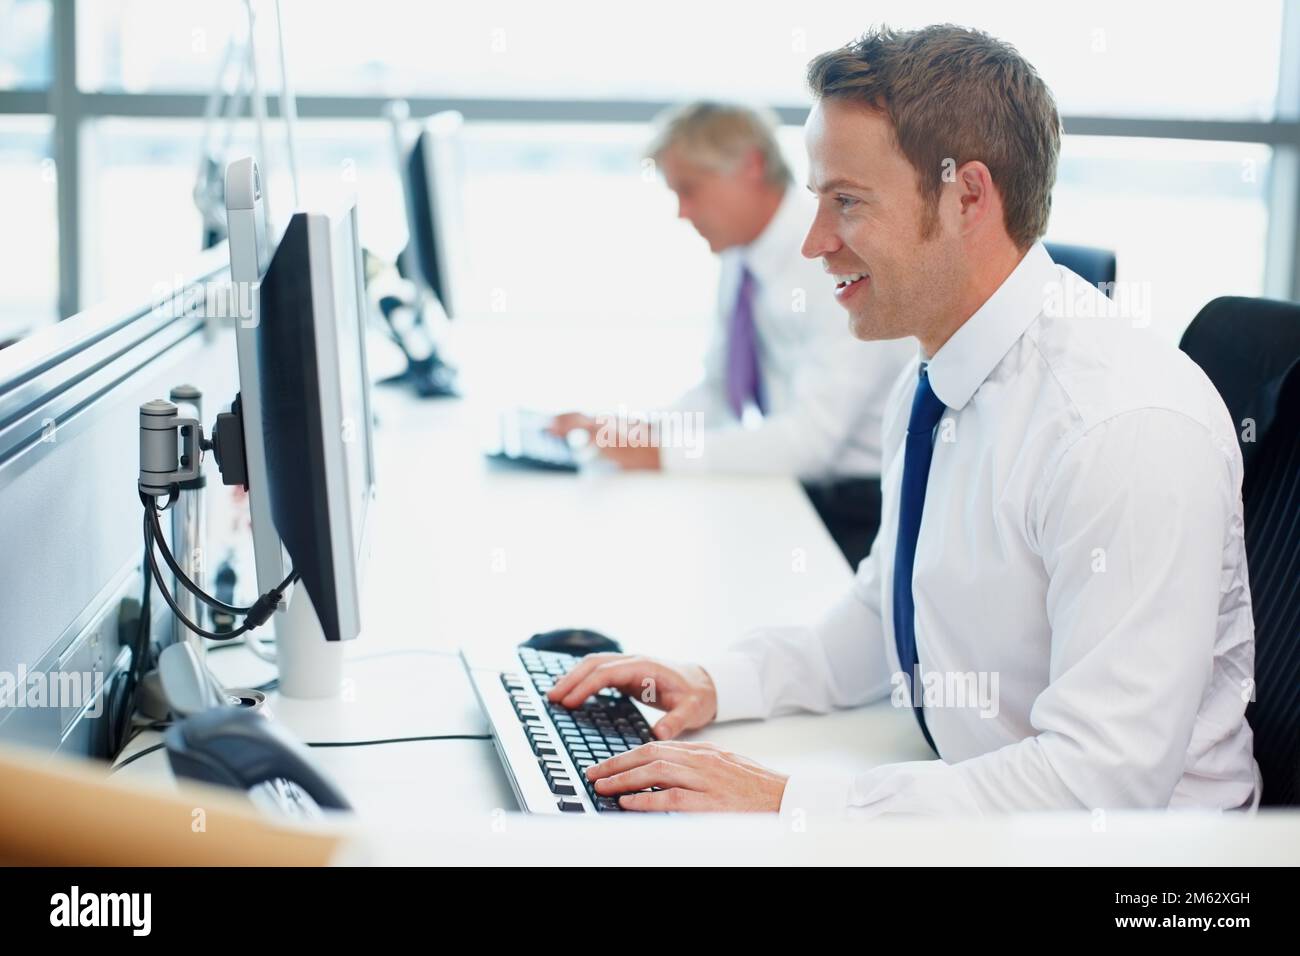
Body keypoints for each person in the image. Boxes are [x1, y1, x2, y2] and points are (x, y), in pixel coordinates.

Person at [546, 25, 1259, 817]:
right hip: (986, 806)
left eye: (847, 202)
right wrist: (719, 682)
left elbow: (1100, 783)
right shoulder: (934, 375)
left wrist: (791, 801)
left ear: (968, 198)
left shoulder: (1121, 428)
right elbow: (890, 604)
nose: (815, 243)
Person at [552, 102, 911, 567]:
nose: (682, 212)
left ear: (752, 167)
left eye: (690, 190)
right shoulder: (743, 257)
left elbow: (809, 443)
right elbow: (720, 391)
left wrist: (659, 454)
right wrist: (627, 432)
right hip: (793, 490)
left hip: (854, 513)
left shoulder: (833, 260)